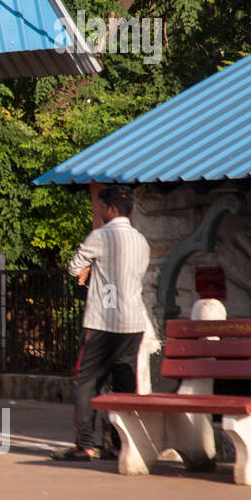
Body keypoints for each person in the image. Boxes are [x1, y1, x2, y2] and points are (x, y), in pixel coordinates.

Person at [53, 185, 150, 462]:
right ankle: (123, 445)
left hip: (103, 322)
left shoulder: (100, 237)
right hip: (133, 323)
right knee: (124, 386)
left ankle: (85, 444)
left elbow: (73, 267)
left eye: (101, 207)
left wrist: (90, 267)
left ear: (110, 209)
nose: (99, 211)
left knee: (86, 381)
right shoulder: (141, 241)